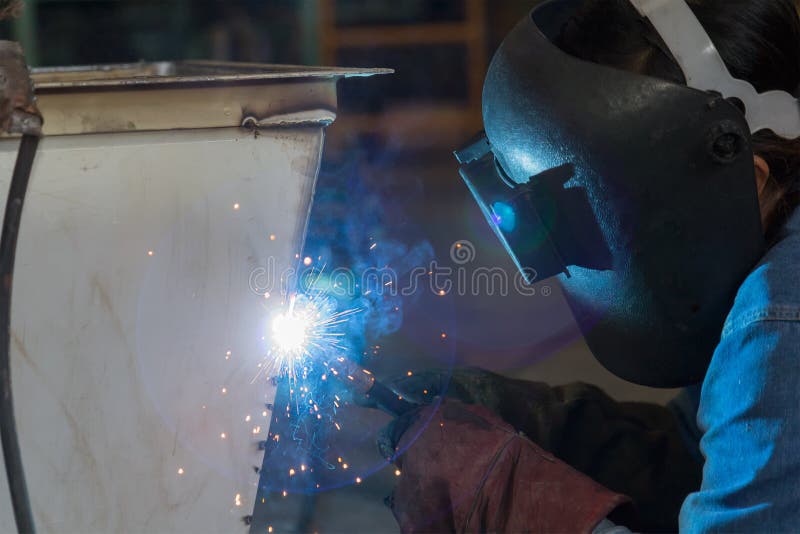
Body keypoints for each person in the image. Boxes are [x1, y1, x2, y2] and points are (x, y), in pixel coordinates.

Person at [378, 0, 800, 532]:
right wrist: (544, 426)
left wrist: (516, 505)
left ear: (747, 178)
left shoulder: (779, 320)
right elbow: (709, 458)